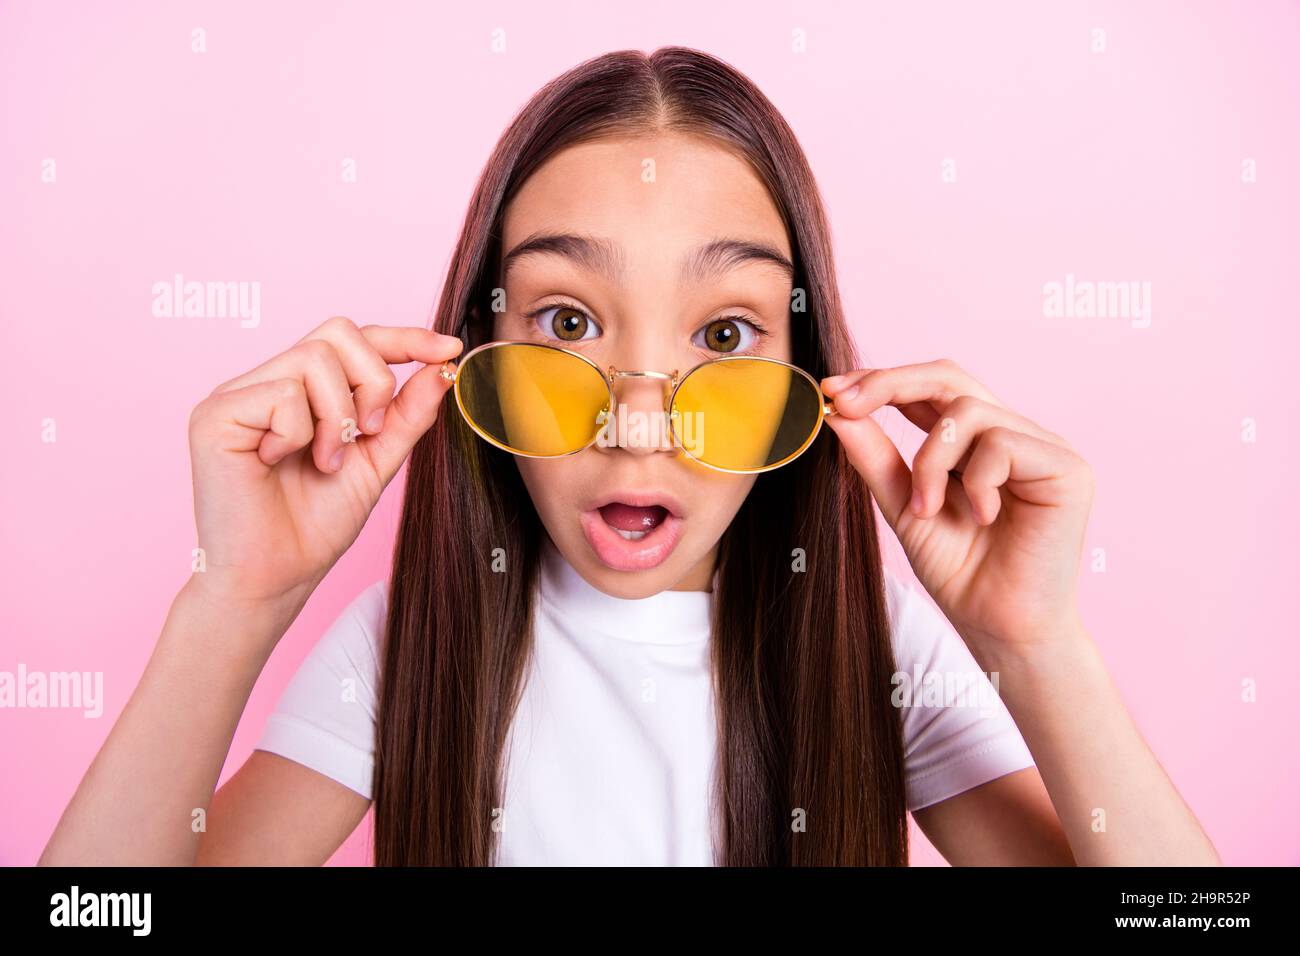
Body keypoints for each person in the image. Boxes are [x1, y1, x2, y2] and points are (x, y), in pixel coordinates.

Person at [40, 47, 1219, 866]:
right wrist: (233, 600)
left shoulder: (873, 649)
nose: (638, 424)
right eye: (565, 321)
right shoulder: (410, 648)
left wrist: (1038, 644)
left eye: (722, 333)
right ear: (473, 351)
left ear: (803, 379)